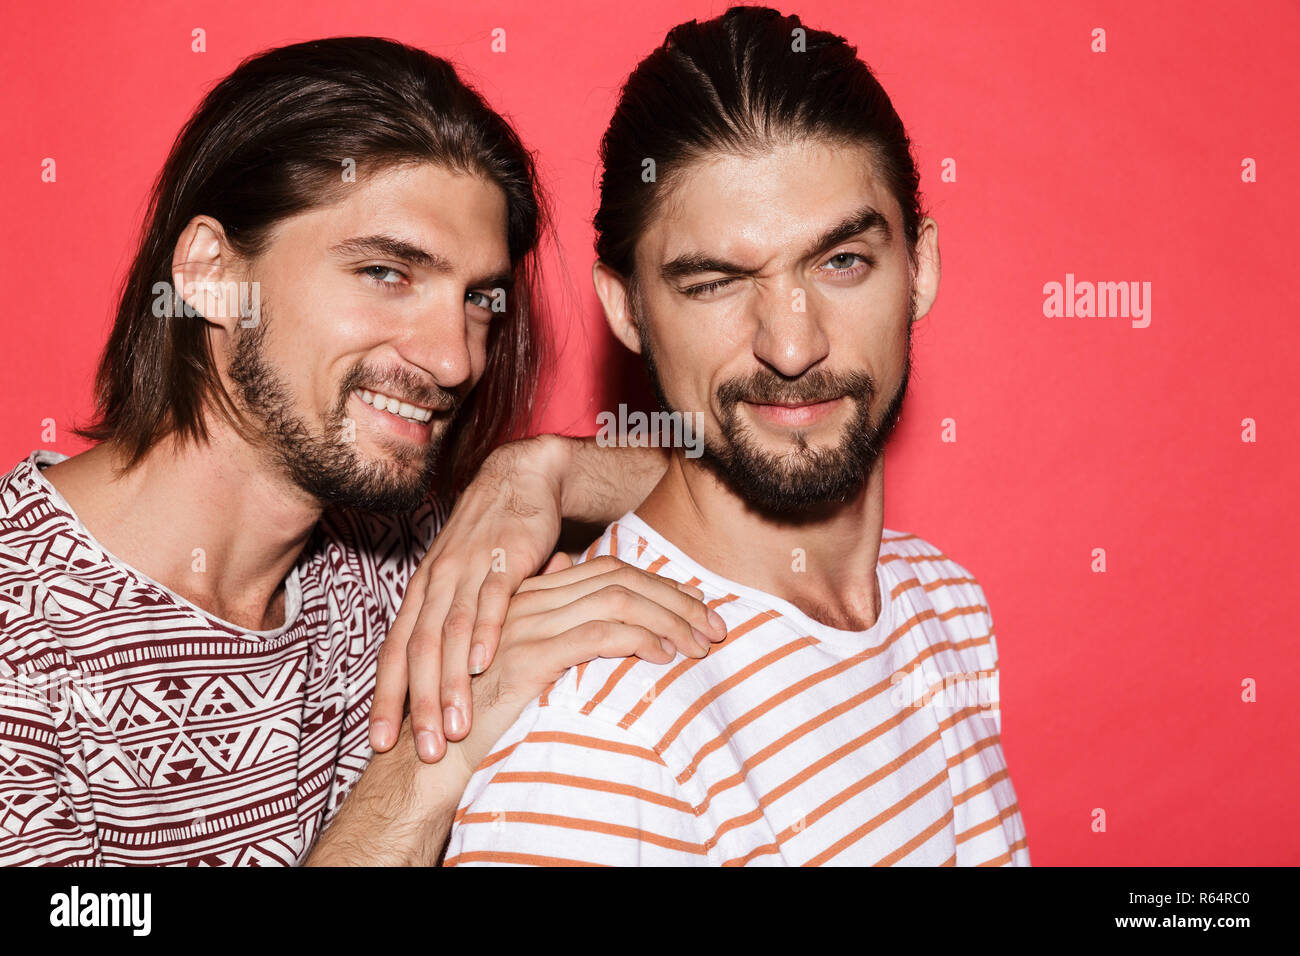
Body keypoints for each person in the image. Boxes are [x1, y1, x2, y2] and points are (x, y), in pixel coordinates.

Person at [0, 36, 724, 867]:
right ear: (208, 273)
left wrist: (542, 473)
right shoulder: (21, 644)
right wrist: (432, 755)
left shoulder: (400, 546)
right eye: (387, 272)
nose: (455, 360)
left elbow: (766, 485)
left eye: (478, 299)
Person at [443, 6, 1030, 866]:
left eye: (841, 263)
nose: (791, 346)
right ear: (627, 310)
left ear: (922, 268)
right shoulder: (598, 731)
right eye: (715, 282)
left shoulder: (944, 602)